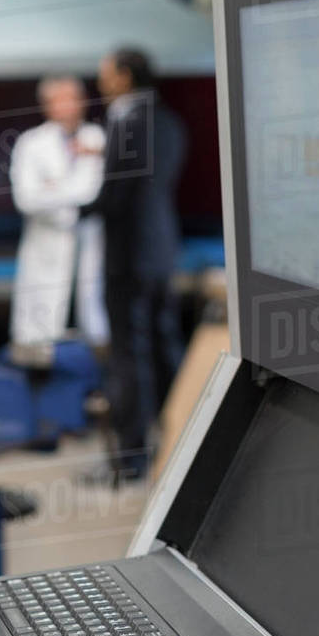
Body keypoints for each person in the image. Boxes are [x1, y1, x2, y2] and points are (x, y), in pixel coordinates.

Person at [88, 48, 186, 482]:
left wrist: (76, 205)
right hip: (162, 252)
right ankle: (179, 439)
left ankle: (133, 457)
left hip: (127, 256)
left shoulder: (127, 122)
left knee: (129, 355)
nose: (100, 80)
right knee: (166, 349)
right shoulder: (169, 121)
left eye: (106, 73)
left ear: (125, 77)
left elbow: (115, 197)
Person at [9, 75, 108, 348]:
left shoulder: (98, 139)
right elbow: (26, 200)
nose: (67, 106)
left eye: (72, 98)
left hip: (89, 247)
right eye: (59, 100)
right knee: (44, 337)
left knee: (94, 329)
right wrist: (75, 194)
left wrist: (53, 189)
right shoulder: (31, 143)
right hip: (47, 249)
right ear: (46, 106)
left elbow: (100, 193)